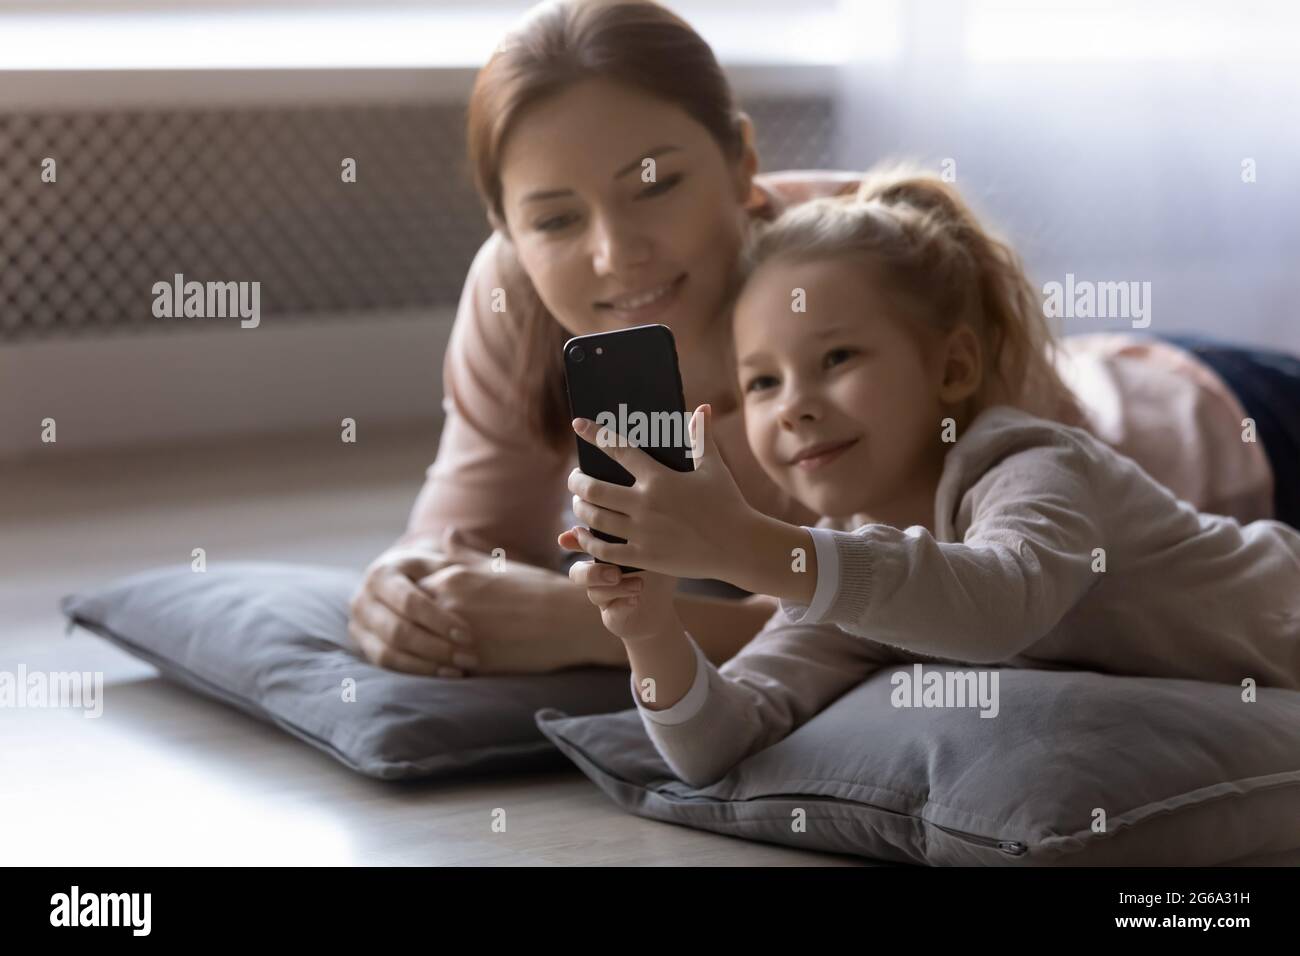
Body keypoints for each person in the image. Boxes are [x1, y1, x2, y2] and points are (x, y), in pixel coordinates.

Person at [348, 0, 1279, 678]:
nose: (613, 252)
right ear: (510, 229)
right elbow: (460, 542)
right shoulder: (514, 300)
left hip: (1229, 437)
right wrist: (405, 588)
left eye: (656, 184)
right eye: (553, 221)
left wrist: (595, 628)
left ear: (743, 161)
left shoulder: (852, 254)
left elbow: (938, 616)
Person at [563, 168, 1300, 787]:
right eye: (761, 383)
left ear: (953, 368)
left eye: (837, 359)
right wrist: (651, 627)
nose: (795, 408)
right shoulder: (844, 567)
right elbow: (717, 748)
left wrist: (745, 546)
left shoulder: (1032, 464)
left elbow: (998, 601)